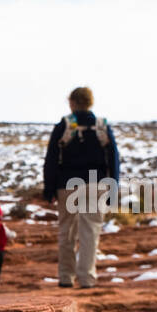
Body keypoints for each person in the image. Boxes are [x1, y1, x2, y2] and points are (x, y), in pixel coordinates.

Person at [42, 86, 120, 288]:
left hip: (67, 184)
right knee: (90, 231)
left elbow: (51, 158)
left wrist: (49, 189)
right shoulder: (100, 125)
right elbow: (113, 158)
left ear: (73, 102)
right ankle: (86, 278)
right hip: (97, 183)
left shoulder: (66, 125)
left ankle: (65, 277)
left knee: (67, 231)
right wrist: (114, 187)